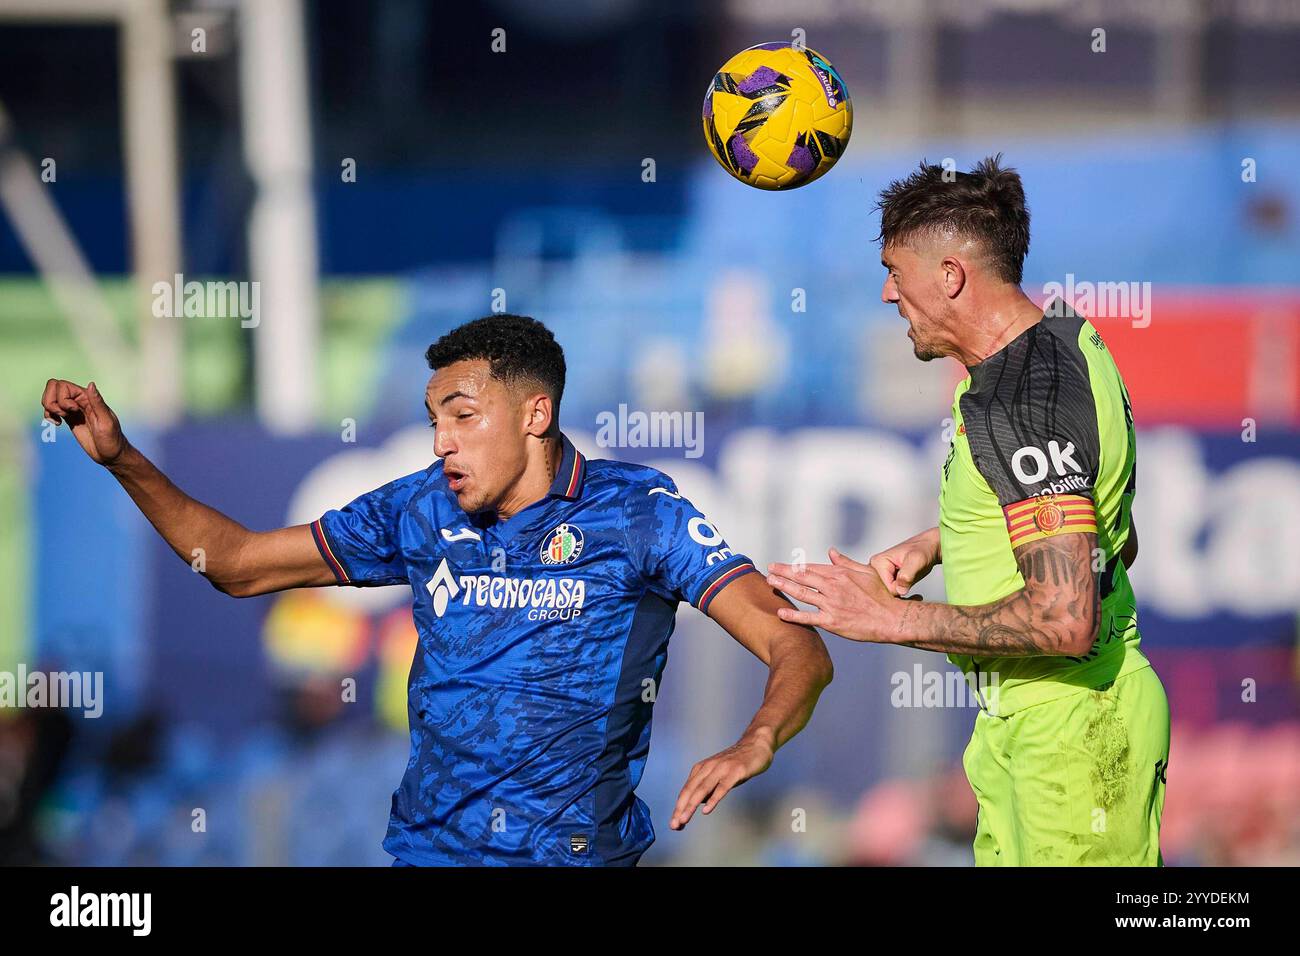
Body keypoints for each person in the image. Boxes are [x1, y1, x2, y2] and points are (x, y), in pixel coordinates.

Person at [41, 313, 832, 866]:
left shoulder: (639, 511)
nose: (442, 442)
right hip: (427, 856)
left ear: (536, 413)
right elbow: (237, 563)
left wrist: (756, 738)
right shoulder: (419, 508)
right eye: (432, 420)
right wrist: (122, 459)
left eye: (461, 416)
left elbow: (793, 642)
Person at [767, 156, 1168, 866]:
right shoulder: (1061, 343)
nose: (889, 294)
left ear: (950, 275)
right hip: (1039, 720)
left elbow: (1063, 620)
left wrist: (892, 619)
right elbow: (1115, 538)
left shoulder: (1020, 400)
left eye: (897, 271)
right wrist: (940, 540)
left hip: (1073, 732)